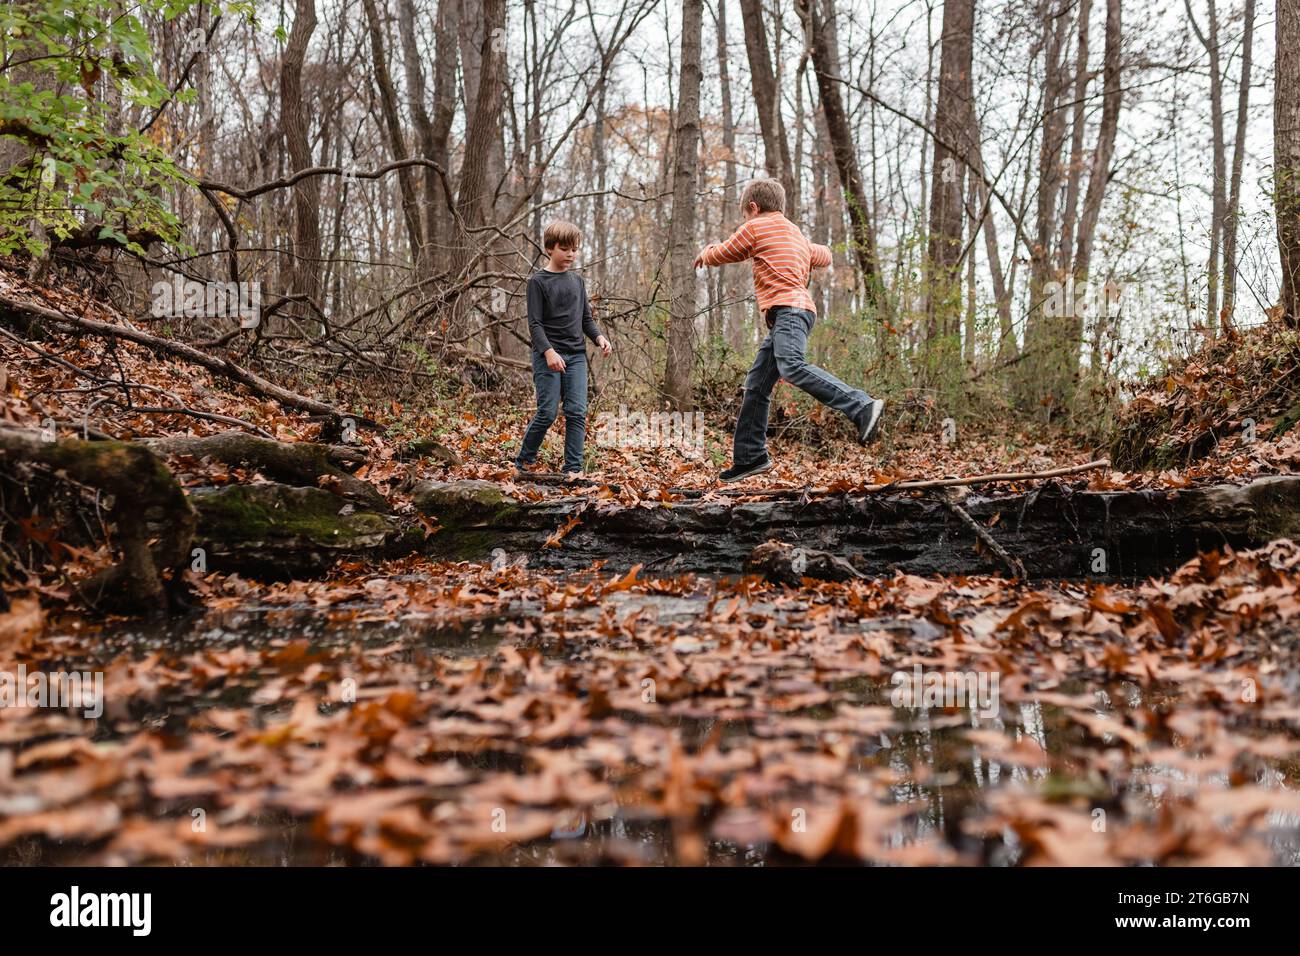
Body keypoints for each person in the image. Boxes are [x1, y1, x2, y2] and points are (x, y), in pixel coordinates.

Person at [694, 178, 884, 482]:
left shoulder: (756, 227)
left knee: (792, 366)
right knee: (757, 385)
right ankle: (750, 457)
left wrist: (707, 252)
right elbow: (823, 255)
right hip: (795, 314)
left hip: (789, 313)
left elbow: (727, 251)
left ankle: (861, 406)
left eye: (745, 215)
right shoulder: (794, 233)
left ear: (753, 208)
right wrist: (810, 250)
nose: (746, 221)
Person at [514, 220, 612, 476]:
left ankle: (573, 469)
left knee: (577, 412)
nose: (571, 254)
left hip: (576, 356)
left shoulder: (577, 282)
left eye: (574, 249)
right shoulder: (538, 282)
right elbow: (534, 325)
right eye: (565, 248)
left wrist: (599, 338)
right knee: (547, 412)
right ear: (550, 248)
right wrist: (548, 352)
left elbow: (585, 319)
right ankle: (523, 462)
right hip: (547, 355)